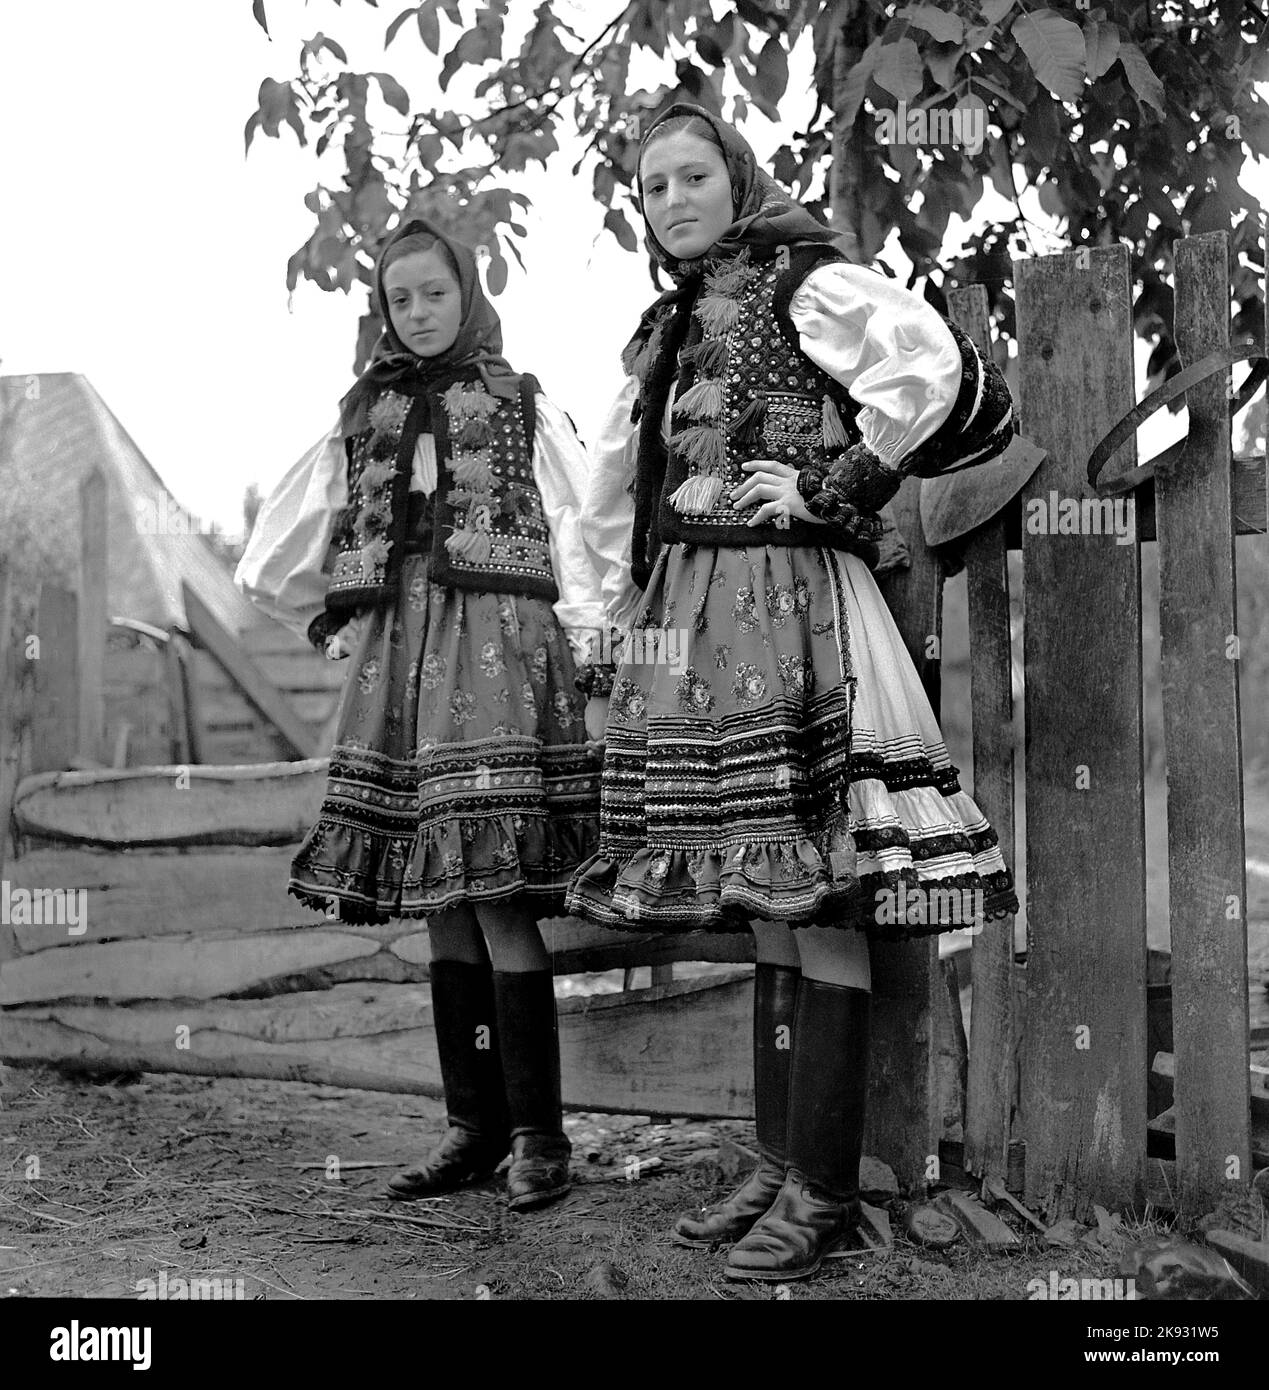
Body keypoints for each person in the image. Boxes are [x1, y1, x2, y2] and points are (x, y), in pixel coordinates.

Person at [566, 104, 1018, 1280]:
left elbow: (933, 367)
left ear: (737, 175)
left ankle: (820, 1188)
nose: (671, 197)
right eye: (651, 182)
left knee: (816, 883)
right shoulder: (662, 331)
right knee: (762, 892)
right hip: (691, 615)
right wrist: (607, 626)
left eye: (692, 173)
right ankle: (774, 1160)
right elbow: (612, 493)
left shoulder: (804, 282)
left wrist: (837, 481)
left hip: (795, 607)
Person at [236, 218, 605, 1212]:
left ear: (468, 291)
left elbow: (583, 520)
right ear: (385, 310)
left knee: (497, 890)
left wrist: (596, 637)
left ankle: (540, 1135)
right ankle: (471, 1129)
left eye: (435, 291)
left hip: (500, 656)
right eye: (401, 298)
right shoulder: (368, 413)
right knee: (443, 896)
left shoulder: (520, 402)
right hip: (403, 660)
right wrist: (331, 603)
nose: (420, 311)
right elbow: (283, 544)